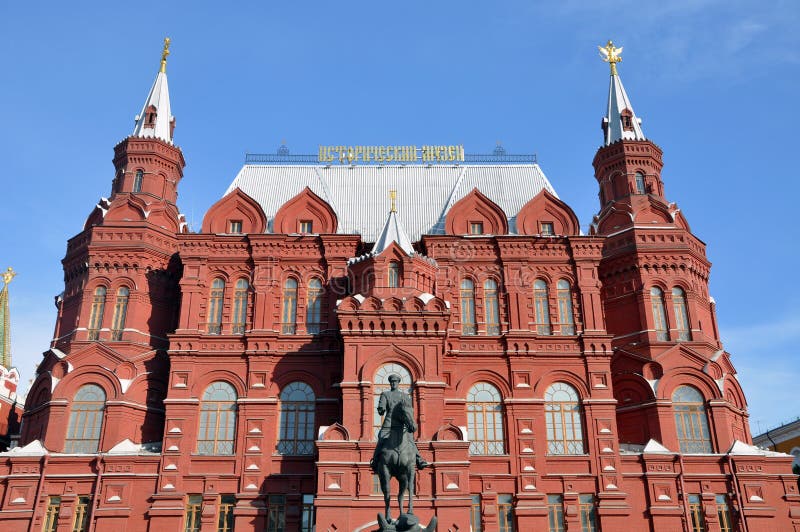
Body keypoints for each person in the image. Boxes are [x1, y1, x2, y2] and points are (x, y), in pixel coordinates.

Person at [370, 373, 429, 472]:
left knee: (410, 440)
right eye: (392, 382)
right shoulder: (385, 394)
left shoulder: (404, 396)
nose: (393, 383)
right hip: (388, 424)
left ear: (398, 383)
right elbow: (382, 407)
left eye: (395, 382)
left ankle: (419, 459)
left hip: (402, 425)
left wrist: (410, 422)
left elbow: (408, 410)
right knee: (381, 440)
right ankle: (375, 461)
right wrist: (381, 409)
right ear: (390, 383)